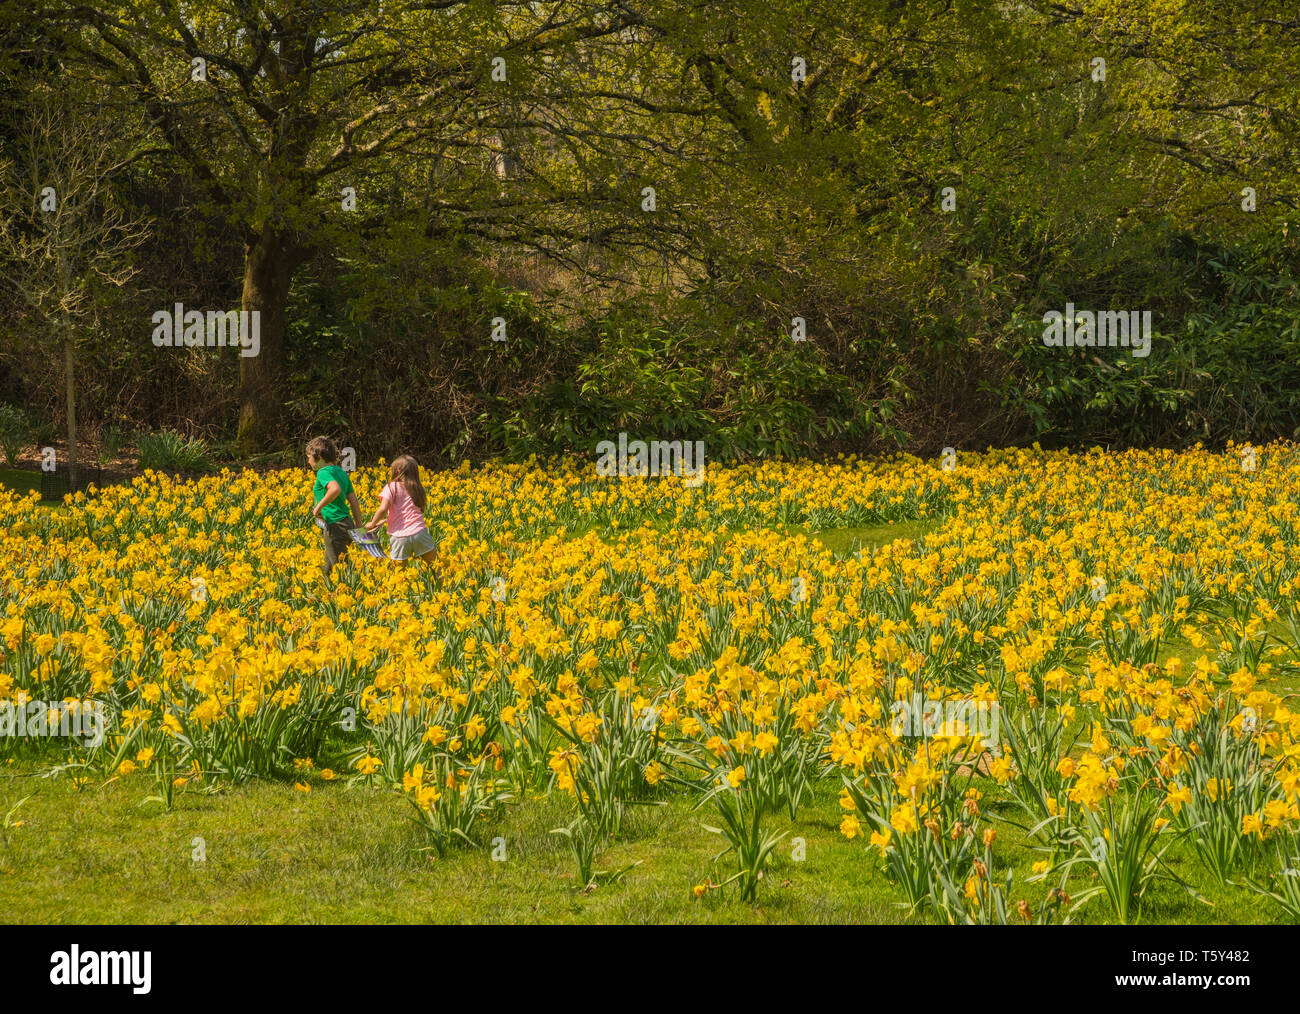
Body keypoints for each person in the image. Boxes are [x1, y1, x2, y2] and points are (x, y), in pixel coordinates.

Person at [365, 454, 437, 565]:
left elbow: (383, 508)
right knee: (437, 568)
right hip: (420, 533)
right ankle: (444, 583)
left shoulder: (391, 486)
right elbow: (419, 510)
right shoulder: (417, 487)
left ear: (398, 471)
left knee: (398, 574)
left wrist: (372, 523)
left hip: (400, 537)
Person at [307, 436, 363, 578]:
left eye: (309, 458)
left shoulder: (323, 472)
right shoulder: (342, 473)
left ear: (318, 457)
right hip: (347, 524)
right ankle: (322, 592)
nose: (308, 462)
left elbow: (335, 489)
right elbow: (354, 502)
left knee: (341, 570)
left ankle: (351, 592)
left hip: (334, 525)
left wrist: (317, 508)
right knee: (329, 566)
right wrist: (358, 527)